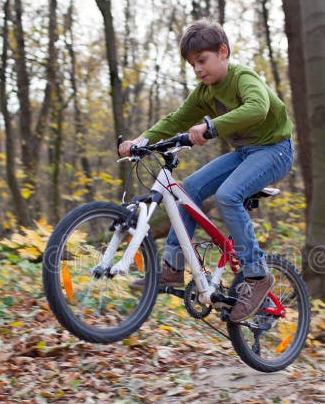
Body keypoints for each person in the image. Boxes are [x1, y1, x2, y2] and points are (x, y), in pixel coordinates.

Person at [119, 19, 294, 323]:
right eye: (192, 64)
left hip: (276, 149)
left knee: (228, 196)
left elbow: (258, 108)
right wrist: (140, 141)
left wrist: (211, 126)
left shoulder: (242, 78)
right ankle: (172, 267)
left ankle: (257, 275)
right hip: (246, 153)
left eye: (202, 60)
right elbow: (176, 119)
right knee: (188, 190)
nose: (198, 69)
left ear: (223, 52)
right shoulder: (204, 92)